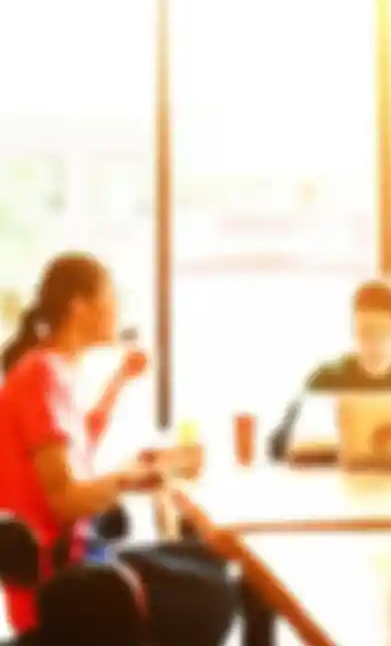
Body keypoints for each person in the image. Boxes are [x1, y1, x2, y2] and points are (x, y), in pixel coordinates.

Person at [0, 253, 237, 645]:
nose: (118, 309)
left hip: (78, 567)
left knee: (204, 560)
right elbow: (64, 498)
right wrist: (130, 478)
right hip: (66, 589)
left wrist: (120, 383)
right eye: (111, 297)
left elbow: (76, 448)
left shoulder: (50, 371)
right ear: (79, 307)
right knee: (212, 589)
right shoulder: (41, 375)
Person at [268, 279, 391, 461]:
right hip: (342, 490)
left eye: (381, 331)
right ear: (353, 329)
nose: (371, 341)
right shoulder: (327, 379)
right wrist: (323, 437)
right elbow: (277, 444)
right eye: (363, 331)